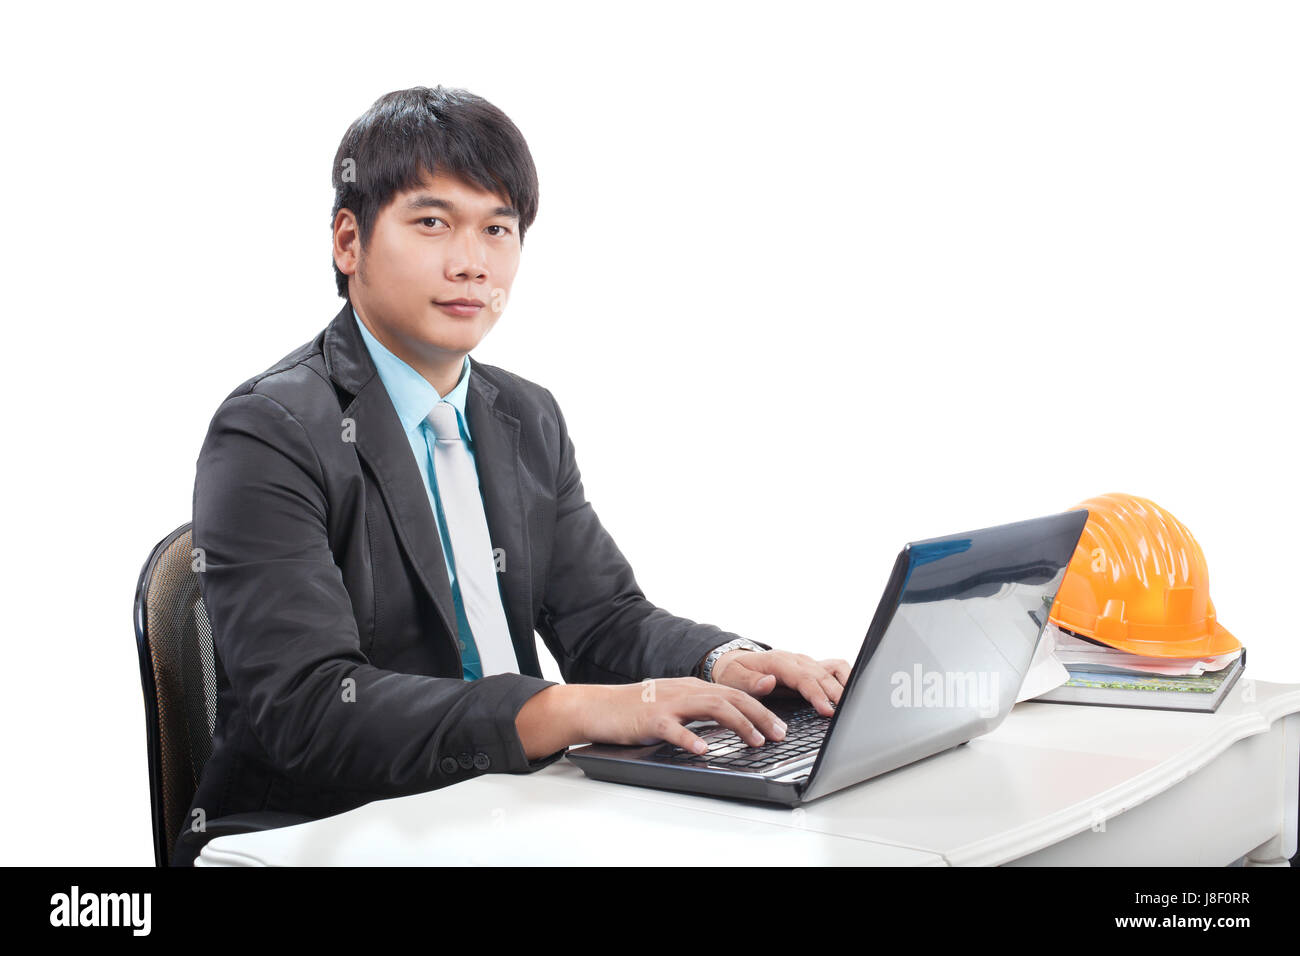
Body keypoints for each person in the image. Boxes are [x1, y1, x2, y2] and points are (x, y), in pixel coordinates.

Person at [172, 86, 850, 865]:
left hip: (510, 808)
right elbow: (313, 709)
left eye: (498, 228)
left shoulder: (523, 416)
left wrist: (725, 664)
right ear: (348, 242)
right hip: (318, 834)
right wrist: (565, 711)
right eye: (433, 223)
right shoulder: (269, 431)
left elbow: (603, 620)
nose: (471, 262)